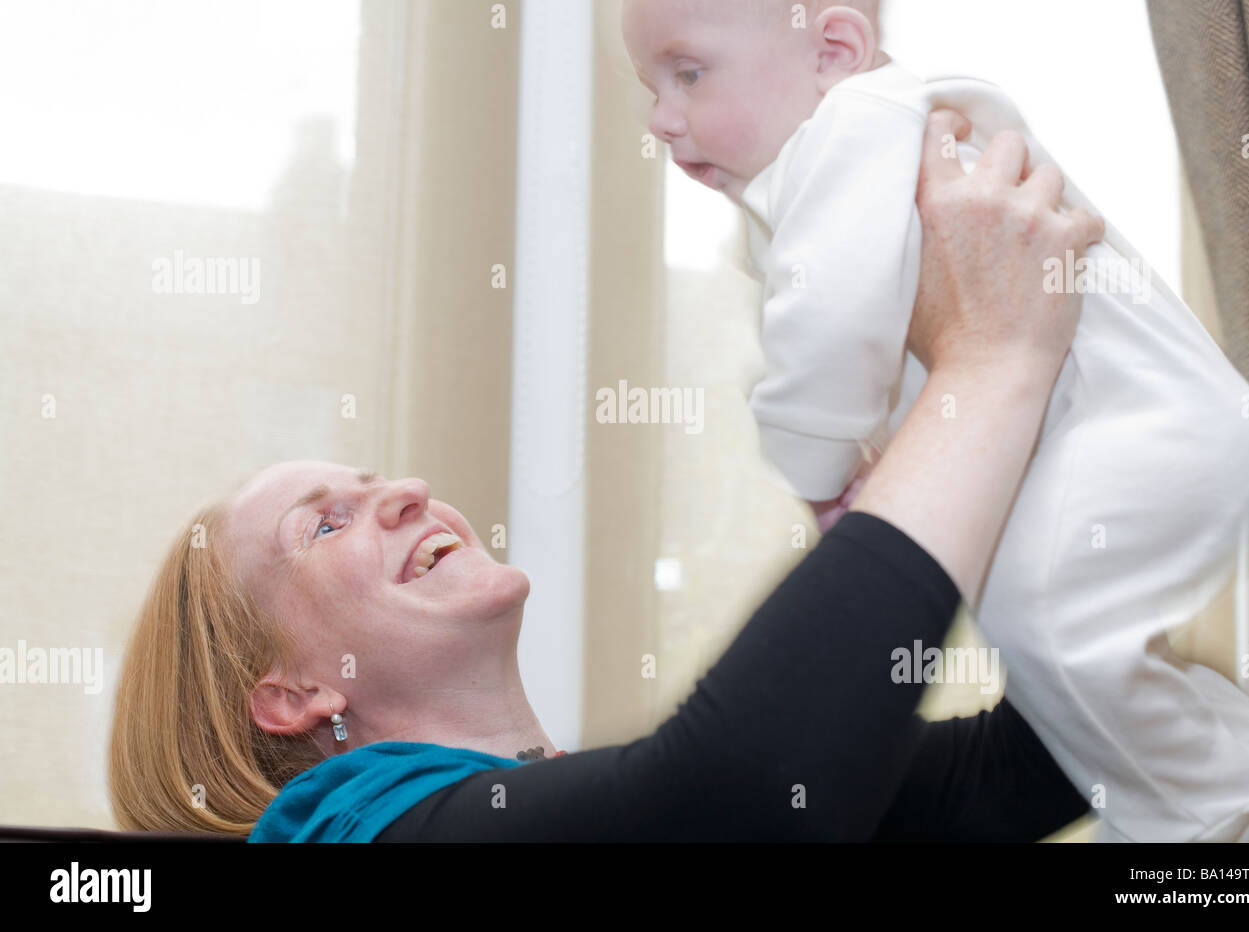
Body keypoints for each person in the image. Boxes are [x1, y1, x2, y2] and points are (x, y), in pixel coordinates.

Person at [109, 110, 1101, 841]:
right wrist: (988, 363)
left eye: (374, 481)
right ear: (290, 691)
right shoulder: (353, 835)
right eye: (324, 525)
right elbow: (733, 797)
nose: (404, 488)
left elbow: (1043, 756)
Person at [621, 0, 1249, 841]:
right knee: (1042, 643)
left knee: (1042, 617)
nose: (661, 119)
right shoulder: (837, 167)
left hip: (1164, 443)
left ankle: (1211, 821)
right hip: (1171, 446)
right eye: (650, 87)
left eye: (688, 74)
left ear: (832, 52)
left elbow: (827, 324)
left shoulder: (859, 123)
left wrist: (815, 467)